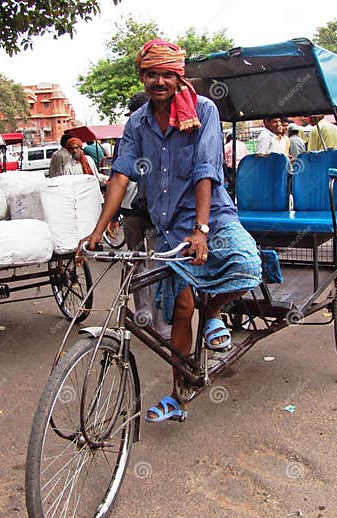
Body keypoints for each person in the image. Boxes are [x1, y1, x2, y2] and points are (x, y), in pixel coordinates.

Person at [77, 38, 262, 423]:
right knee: (180, 309)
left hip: (213, 216)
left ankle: (214, 312)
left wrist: (202, 229)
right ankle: (179, 392)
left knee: (246, 263)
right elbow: (121, 173)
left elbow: (206, 170)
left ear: (179, 76)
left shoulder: (202, 110)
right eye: (151, 74)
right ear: (142, 77)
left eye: (166, 73)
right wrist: (97, 231)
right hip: (168, 225)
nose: (158, 81)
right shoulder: (138, 123)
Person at [118, 90, 172, 340]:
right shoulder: (131, 139)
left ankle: (151, 321)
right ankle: (150, 321)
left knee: (147, 266)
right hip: (137, 213)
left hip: (146, 213)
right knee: (144, 266)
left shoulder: (157, 138)